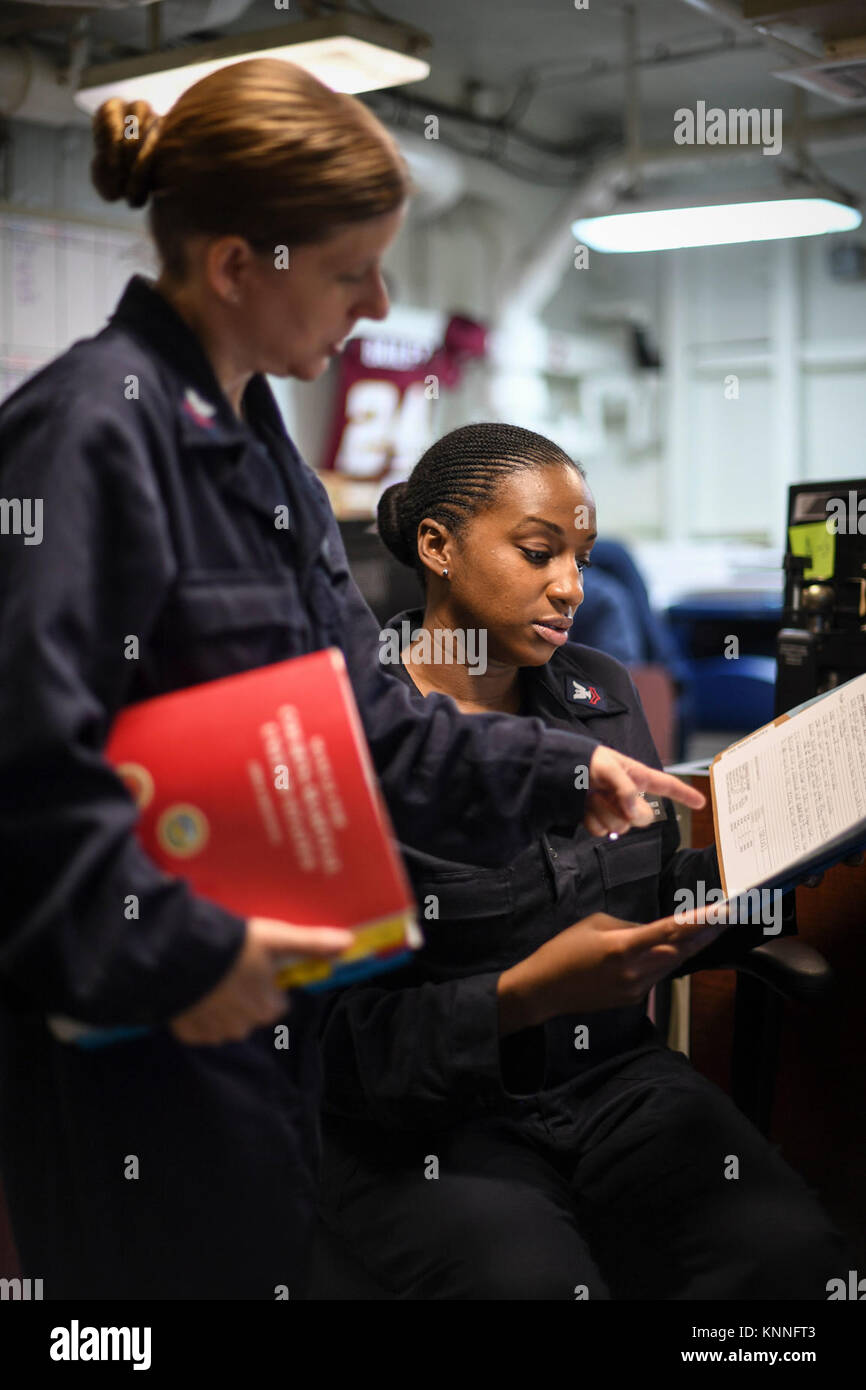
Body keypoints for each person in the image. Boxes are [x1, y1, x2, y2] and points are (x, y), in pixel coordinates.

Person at [0, 61, 703, 1301]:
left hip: (273, 1028)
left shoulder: (266, 448)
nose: (378, 303)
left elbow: (367, 727)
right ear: (233, 265)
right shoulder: (87, 433)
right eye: (347, 271)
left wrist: (561, 764)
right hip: (140, 1039)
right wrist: (184, 950)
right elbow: (25, 765)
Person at [315, 422, 851, 1300]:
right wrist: (522, 998)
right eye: (537, 553)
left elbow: (644, 900)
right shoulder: (351, 737)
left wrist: (771, 870)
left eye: (583, 558)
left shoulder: (597, 694)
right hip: (428, 1119)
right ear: (438, 546)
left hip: (608, 1077)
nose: (569, 588)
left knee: (790, 1264)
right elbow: (332, 1047)